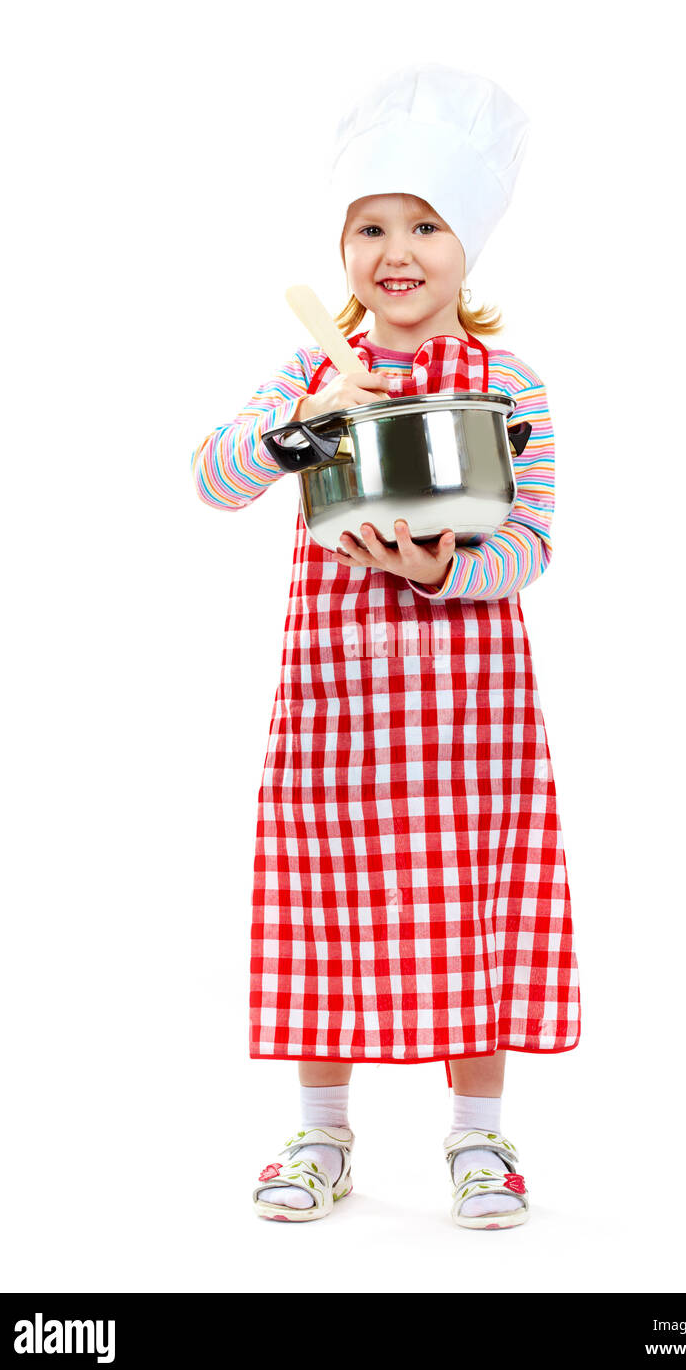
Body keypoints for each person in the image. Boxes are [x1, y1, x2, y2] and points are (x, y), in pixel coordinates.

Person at [190, 64, 581, 1230]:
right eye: (370, 226)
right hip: (332, 700)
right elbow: (212, 479)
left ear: (470, 247)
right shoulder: (310, 377)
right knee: (323, 904)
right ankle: (321, 1137)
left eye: (425, 225)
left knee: (472, 903)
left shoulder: (509, 384)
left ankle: (478, 1142)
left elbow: (529, 544)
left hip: (473, 711)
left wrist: (439, 572)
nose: (395, 250)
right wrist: (306, 422)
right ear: (342, 246)